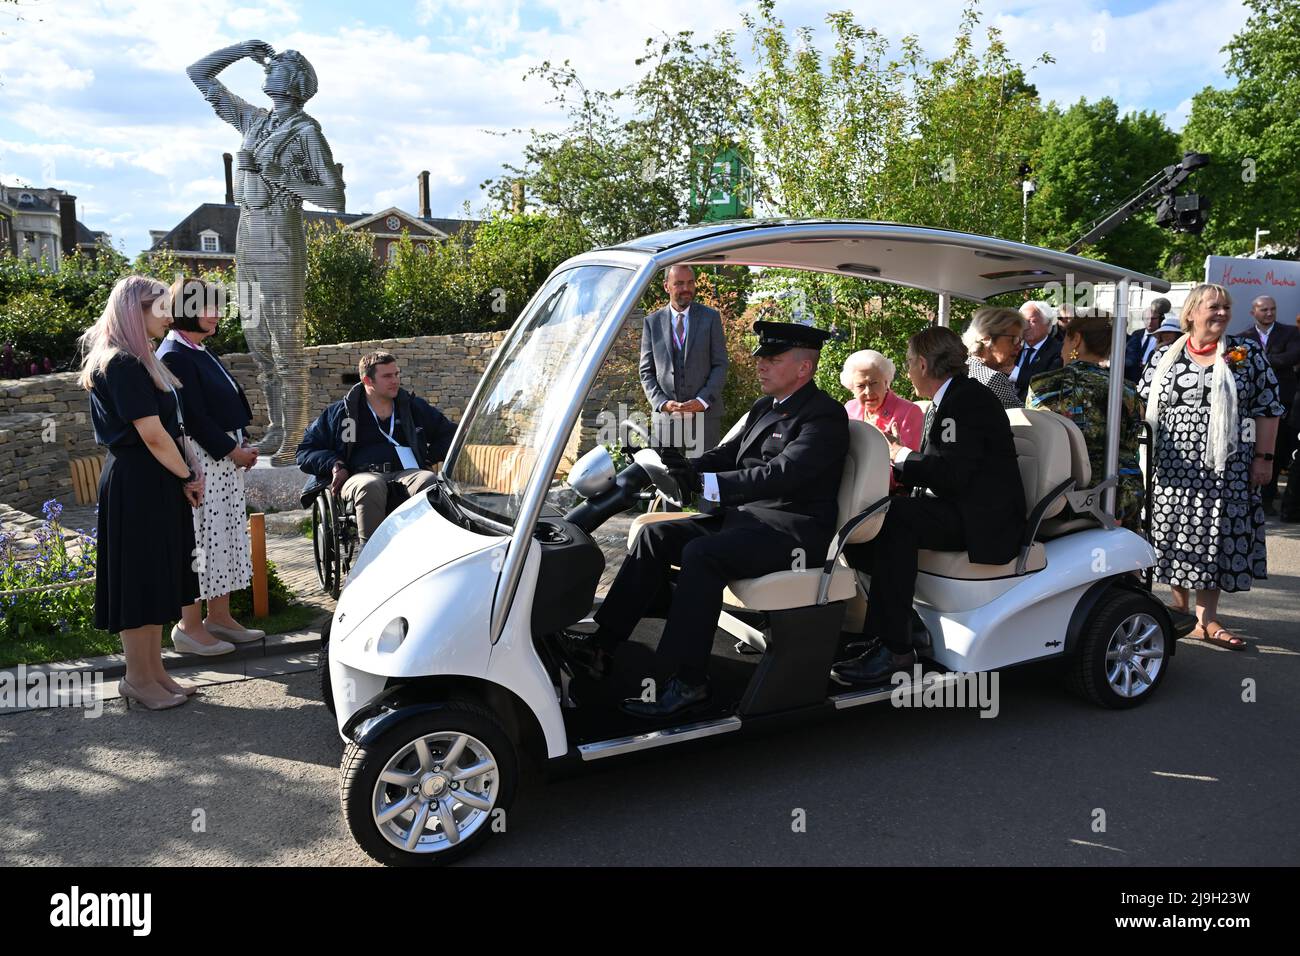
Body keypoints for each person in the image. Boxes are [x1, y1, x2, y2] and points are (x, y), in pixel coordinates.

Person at [558, 321, 849, 719]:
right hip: (747, 522)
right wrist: (682, 466)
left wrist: (708, 486)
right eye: (761, 357)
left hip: (791, 531)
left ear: (804, 368)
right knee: (654, 536)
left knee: (702, 554)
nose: (761, 365)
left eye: (772, 359)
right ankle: (602, 645)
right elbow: (728, 455)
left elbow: (782, 474)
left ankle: (689, 681)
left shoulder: (824, 417)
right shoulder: (766, 407)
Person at [832, 326, 1026, 684]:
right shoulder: (951, 397)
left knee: (892, 518)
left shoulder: (967, 400)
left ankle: (896, 648)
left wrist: (900, 454)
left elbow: (954, 475)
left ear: (923, 363)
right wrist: (899, 460)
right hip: (962, 507)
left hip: (984, 520)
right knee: (869, 520)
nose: (907, 372)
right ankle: (899, 627)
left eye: (908, 363)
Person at [188, 39, 346, 465]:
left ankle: (296, 435)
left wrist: (277, 176)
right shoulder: (253, 121)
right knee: (259, 343)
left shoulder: (307, 131)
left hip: (280, 240)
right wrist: (241, 50)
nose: (269, 68)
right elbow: (199, 74)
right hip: (247, 237)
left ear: (295, 81)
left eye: (279, 65)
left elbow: (333, 196)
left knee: (286, 344)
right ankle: (277, 426)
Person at [78, 276, 205, 710]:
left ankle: (155, 673)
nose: (170, 315)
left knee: (155, 578)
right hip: (137, 482)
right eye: (161, 307)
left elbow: (171, 428)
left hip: (154, 480)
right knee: (139, 581)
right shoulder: (120, 364)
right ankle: (136, 678)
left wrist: (186, 472)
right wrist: (189, 474)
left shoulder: (140, 360)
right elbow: (151, 435)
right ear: (136, 309)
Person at [1137, 283, 1284, 650]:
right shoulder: (1162, 356)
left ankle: (1207, 618)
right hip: (1170, 469)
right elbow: (1141, 405)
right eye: (1213, 307)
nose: (1221, 313)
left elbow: (1269, 407)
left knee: (1215, 538)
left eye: (1226, 307)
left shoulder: (1245, 351)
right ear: (1191, 313)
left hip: (1228, 468)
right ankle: (1179, 608)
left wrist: (1264, 460)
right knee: (1172, 534)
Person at [157, 276, 262, 656]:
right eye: (208, 307)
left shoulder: (197, 350)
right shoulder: (173, 354)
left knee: (225, 535)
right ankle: (189, 627)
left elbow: (225, 404)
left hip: (223, 459)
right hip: (204, 461)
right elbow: (193, 418)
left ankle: (220, 618)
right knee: (201, 539)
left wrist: (241, 442)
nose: (217, 314)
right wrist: (231, 451)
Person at [297, 351, 456, 547]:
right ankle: (370, 555)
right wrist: (335, 464)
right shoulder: (341, 413)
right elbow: (306, 450)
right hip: (360, 475)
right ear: (367, 380)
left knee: (429, 481)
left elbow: (450, 433)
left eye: (397, 374)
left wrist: (428, 458)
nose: (395, 380)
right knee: (370, 486)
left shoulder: (412, 407)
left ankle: (426, 548)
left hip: (406, 472)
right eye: (387, 376)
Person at [1026, 314, 1145, 531]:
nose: (1062, 347)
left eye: (1065, 340)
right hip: (1114, 498)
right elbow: (1130, 446)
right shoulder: (1125, 389)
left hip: (1052, 496)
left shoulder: (1041, 384)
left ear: (1076, 339)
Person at [638, 265, 727, 457]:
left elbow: (720, 365)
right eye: (679, 283)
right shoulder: (652, 323)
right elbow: (646, 372)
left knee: (705, 477)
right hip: (666, 419)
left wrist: (702, 401)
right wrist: (663, 404)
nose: (686, 288)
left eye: (690, 282)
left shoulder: (711, 318)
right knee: (668, 479)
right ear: (666, 286)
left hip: (705, 417)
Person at [1240, 295, 1300, 514]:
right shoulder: (1243, 337)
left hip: (1283, 402)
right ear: (1253, 312)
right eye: (1264, 309)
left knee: (1276, 450)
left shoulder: (1291, 333)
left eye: (1272, 309)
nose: (1269, 313)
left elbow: (1292, 357)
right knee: (1254, 449)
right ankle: (1252, 494)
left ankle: (1268, 497)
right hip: (1252, 404)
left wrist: (1257, 360)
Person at [840, 348, 923, 490]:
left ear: (886, 382)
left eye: (874, 383)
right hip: (848, 487)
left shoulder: (909, 412)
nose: (868, 392)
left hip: (887, 495)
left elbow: (910, 471)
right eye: (860, 386)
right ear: (851, 388)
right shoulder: (849, 409)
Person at [961, 307, 1024, 408]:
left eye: (1020, 340)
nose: (1019, 346)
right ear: (986, 339)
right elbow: (1022, 418)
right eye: (1014, 339)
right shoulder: (994, 378)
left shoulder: (963, 368)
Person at [1011, 301, 1064, 399]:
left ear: (1047, 324)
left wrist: (1013, 372)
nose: (1025, 326)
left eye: (1032, 321)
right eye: (1022, 322)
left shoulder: (1059, 351)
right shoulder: (1012, 346)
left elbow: (1047, 385)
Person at [1124, 297, 1172, 383]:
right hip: (1133, 378)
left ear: (1161, 319)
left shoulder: (1164, 336)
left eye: (1153, 319)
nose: (1149, 322)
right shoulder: (1136, 334)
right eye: (1146, 318)